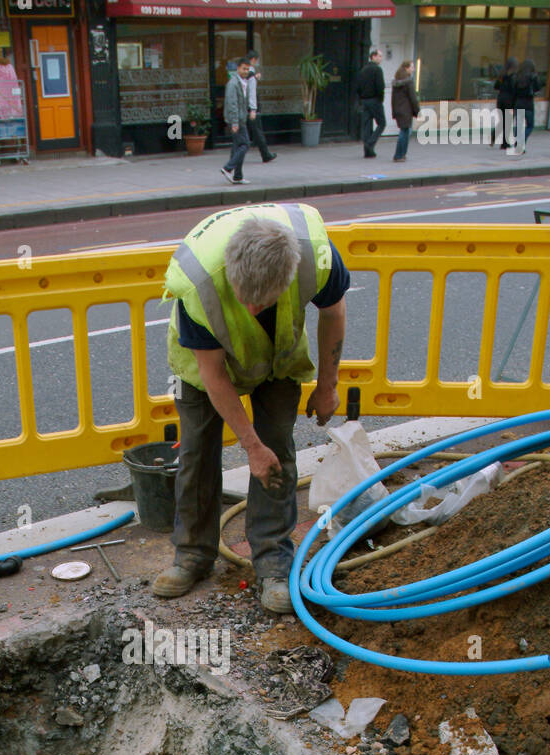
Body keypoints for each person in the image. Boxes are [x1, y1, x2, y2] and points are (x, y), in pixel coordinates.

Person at [153, 203, 349, 614]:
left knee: (277, 446)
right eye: (246, 300)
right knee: (197, 451)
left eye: (264, 302)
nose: (253, 311)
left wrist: (328, 386)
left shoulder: (315, 255)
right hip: (204, 366)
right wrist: (249, 445)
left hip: (278, 355)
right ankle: (192, 554)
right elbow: (215, 376)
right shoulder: (199, 280)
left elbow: (333, 312)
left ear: (289, 276)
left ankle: (274, 562)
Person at [221, 57, 252, 185]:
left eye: (247, 69)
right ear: (238, 68)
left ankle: (237, 176)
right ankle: (228, 168)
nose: (246, 71)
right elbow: (232, 104)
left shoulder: (243, 82)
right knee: (245, 144)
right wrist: (234, 122)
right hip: (237, 120)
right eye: (244, 68)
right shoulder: (233, 83)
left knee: (238, 146)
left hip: (241, 119)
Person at [246, 50, 276, 164]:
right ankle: (266, 154)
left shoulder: (246, 74)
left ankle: (265, 154)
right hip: (252, 108)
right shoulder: (251, 75)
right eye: (256, 60)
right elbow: (252, 93)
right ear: (253, 59)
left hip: (244, 107)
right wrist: (254, 109)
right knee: (258, 131)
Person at [509, 58, 543, 156]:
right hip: (528, 104)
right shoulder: (533, 77)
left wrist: (512, 105)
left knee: (519, 125)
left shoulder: (517, 77)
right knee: (530, 125)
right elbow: (538, 88)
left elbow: (513, 93)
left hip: (518, 103)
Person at [356, 48, 385, 158]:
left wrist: (361, 99)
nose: (381, 58)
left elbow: (357, 87)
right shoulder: (377, 70)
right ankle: (370, 144)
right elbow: (380, 87)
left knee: (367, 124)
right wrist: (380, 99)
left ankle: (367, 151)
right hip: (375, 100)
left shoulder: (363, 70)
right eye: (379, 56)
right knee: (382, 123)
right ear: (373, 57)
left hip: (364, 100)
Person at [391, 59, 420, 162]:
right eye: (412, 67)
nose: (414, 69)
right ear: (406, 68)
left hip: (398, 109)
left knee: (404, 131)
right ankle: (399, 155)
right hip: (406, 110)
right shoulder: (408, 81)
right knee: (404, 132)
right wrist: (417, 110)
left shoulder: (396, 80)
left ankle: (402, 154)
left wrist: (394, 111)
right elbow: (413, 98)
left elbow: (393, 98)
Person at [493, 57, 517, 149]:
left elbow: (496, 86)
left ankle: (494, 137)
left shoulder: (502, 76)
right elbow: (513, 89)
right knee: (508, 122)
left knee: (503, 121)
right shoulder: (513, 76)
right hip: (509, 102)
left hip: (500, 100)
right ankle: (504, 143)